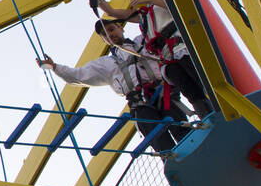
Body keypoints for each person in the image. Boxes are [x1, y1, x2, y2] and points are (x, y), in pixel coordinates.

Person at [38, 20, 189, 152]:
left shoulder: (143, 41)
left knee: (184, 133)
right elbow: (78, 76)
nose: (110, 34)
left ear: (121, 28)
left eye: (111, 29)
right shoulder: (107, 63)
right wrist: (55, 67)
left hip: (164, 95)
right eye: (105, 34)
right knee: (162, 145)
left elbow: (163, 32)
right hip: (140, 106)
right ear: (104, 40)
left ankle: (195, 153)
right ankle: (174, 164)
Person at [86, 0, 213, 120]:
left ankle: (216, 104)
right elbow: (111, 11)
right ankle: (206, 114)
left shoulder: (162, 0)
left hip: (180, 49)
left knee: (201, 80)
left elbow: (174, 4)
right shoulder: (144, 15)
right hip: (167, 59)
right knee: (189, 90)